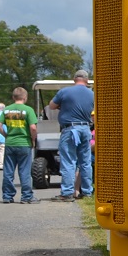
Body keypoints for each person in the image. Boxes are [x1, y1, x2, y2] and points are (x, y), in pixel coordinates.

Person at [48, 69, 94, 201]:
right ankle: (87, 191)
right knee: (85, 162)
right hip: (86, 128)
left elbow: (51, 106)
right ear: (86, 80)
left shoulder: (65, 91)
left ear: (75, 79)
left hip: (70, 129)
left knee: (69, 161)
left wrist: (62, 106)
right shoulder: (92, 94)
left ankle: (67, 192)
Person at [0, 87, 39, 204]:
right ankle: (26, 196)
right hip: (24, 143)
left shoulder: (7, 110)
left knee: (8, 171)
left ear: (13, 97)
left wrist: (6, 135)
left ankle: (7, 196)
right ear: (25, 97)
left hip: (10, 143)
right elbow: (33, 127)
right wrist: (33, 138)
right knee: (24, 171)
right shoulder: (28, 110)